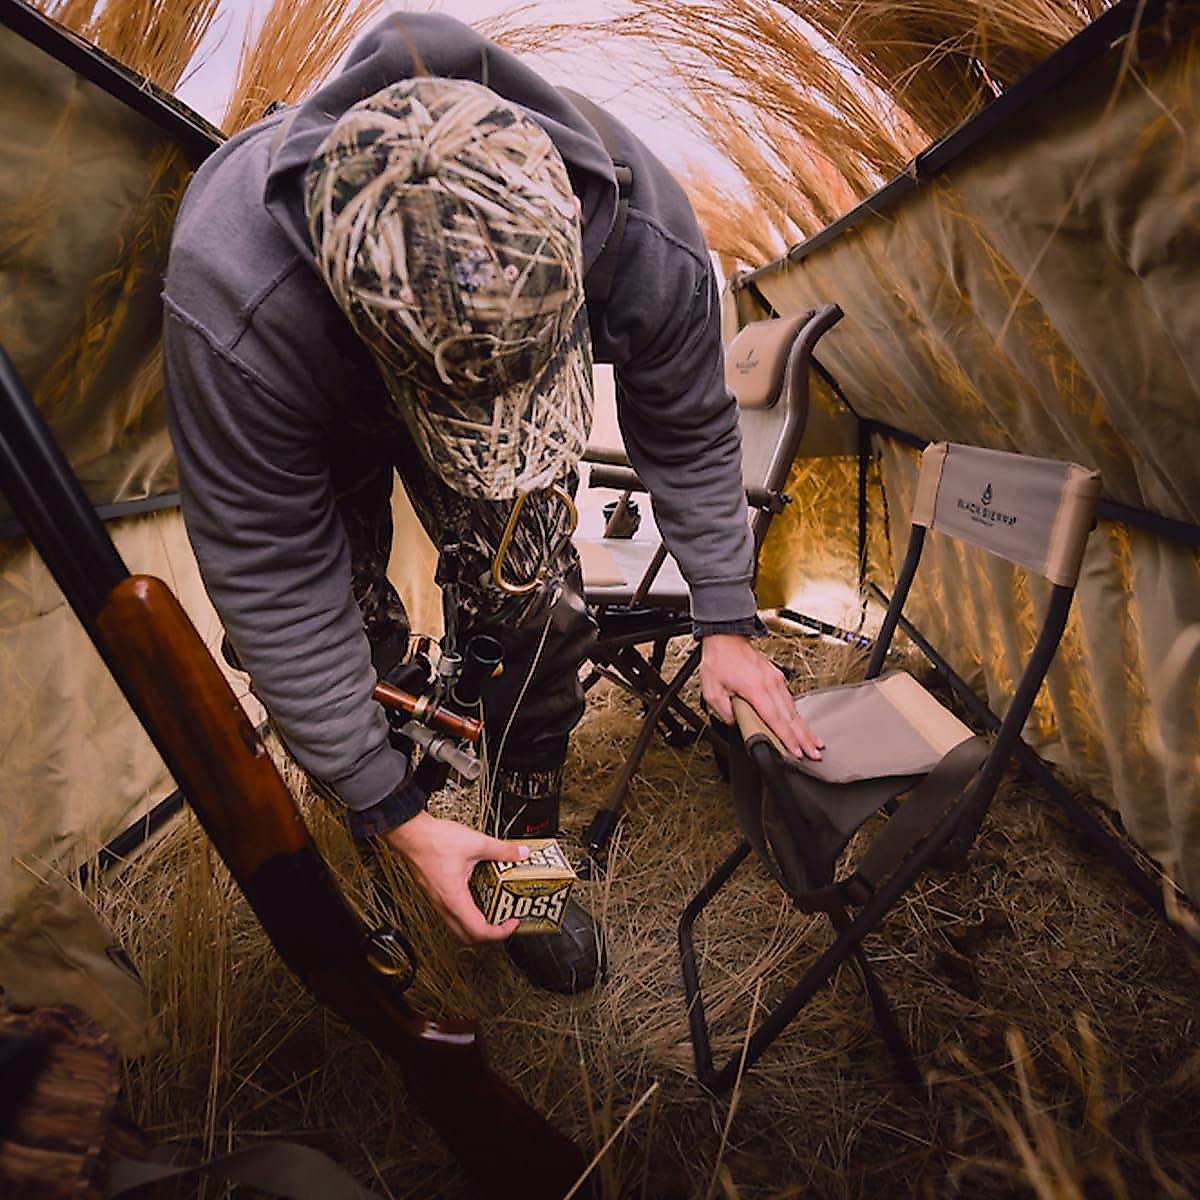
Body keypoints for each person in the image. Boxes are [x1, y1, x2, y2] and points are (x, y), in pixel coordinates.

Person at [161, 12, 821, 996]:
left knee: (539, 623)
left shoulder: (641, 232)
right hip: (319, 417)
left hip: (442, 376)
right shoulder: (233, 295)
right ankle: (408, 842)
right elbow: (272, 573)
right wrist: (389, 806)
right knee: (351, 655)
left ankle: (525, 880)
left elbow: (688, 426)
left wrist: (724, 615)